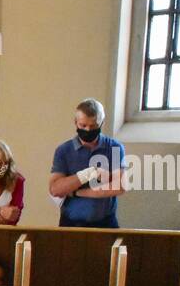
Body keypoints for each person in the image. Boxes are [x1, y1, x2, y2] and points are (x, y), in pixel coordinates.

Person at [48, 98, 127, 228]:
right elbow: (55, 189)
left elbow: (120, 186)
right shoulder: (64, 150)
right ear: (75, 123)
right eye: (83, 125)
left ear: (101, 123)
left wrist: (76, 192)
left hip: (106, 223)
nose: (88, 130)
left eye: (93, 126)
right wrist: (90, 173)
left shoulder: (114, 147)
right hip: (71, 223)